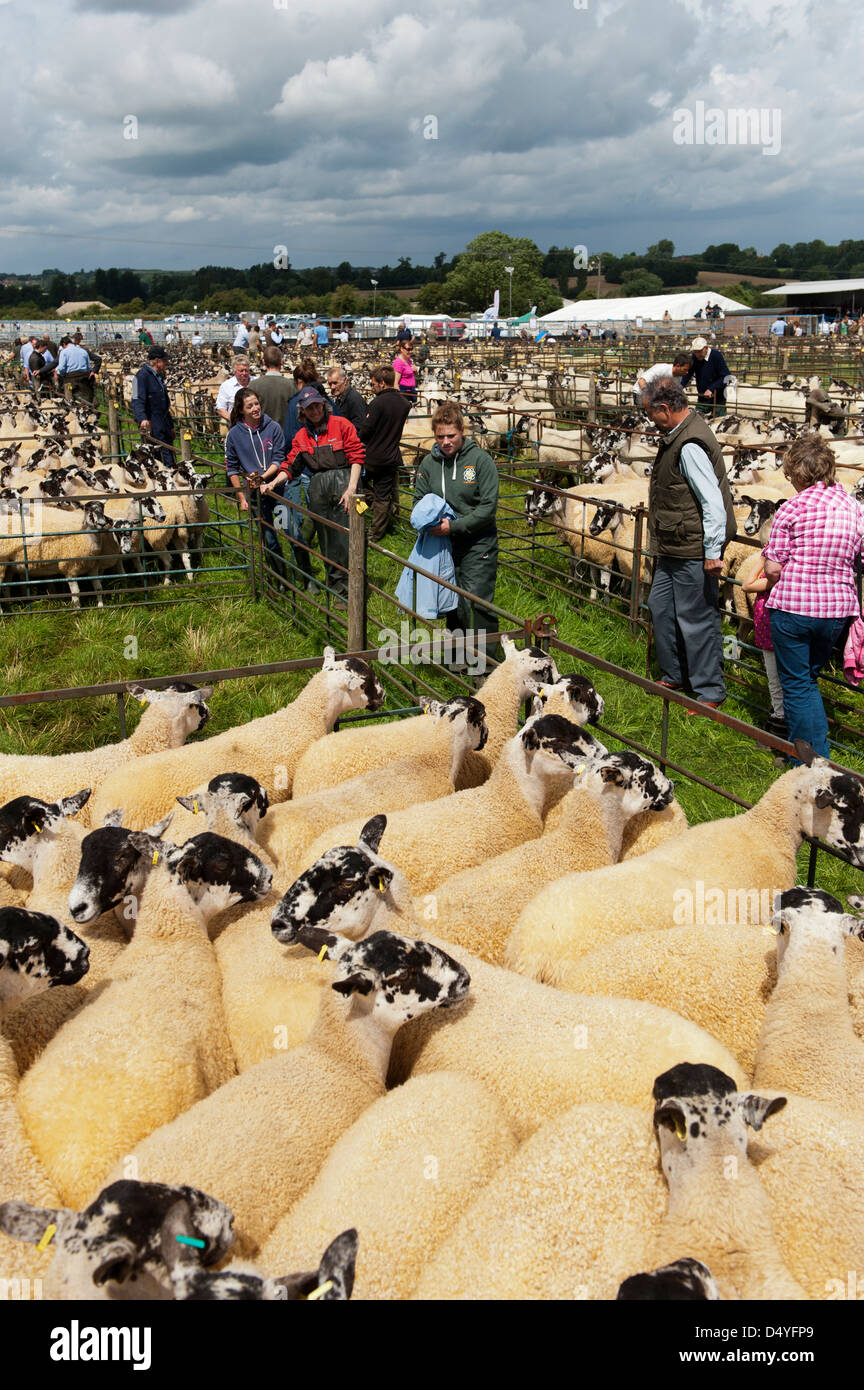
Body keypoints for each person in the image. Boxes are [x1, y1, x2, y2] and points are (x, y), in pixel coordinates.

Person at [762, 434, 864, 761]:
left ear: (801, 474)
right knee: (808, 680)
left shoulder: (792, 508)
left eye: (791, 476)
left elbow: (773, 567)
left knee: (797, 686)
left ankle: (810, 764)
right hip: (836, 611)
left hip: (793, 608)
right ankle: (810, 757)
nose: (791, 483)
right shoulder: (855, 509)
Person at [642, 378, 738, 709]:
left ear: (665, 410)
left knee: (696, 618)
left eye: (650, 414)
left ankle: (709, 690)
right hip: (673, 545)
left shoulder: (690, 445)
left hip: (693, 549)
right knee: (661, 607)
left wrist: (712, 552)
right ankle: (675, 674)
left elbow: (712, 503)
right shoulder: (678, 437)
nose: (649, 420)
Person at [262, 387, 364, 606]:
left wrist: (352, 488)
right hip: (319, 487)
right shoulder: (302, 437)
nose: (315, 411)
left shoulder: (341, 425)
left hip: (345, 482)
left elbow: (357, 455)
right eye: (309, 408)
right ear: (303, 412)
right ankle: (336, 586)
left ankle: (352, 589)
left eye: (317, 405)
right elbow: (291, 465)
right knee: (327, 539)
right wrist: (272, 482)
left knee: (347, 538)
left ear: (323, 405)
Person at [413, 401, 499, 651]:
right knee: (451, 599)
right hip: (443, 543)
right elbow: (418, 499)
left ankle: (485, 663)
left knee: (478, 600)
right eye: (440, 436)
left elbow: (487, 508)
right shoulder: (429, 464)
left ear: (462, 431)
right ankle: (458, 655)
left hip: (477, 542)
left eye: (451, 435)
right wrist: (429, 523)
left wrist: (455, 526)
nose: (446, 441)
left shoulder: (480, 461)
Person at [225, 386, 289, 585]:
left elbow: (279, 459)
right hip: (254, 494)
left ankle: (289, 573)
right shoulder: (234, 435)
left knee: (285, 532)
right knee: (268, 536)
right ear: (241, 410)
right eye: (249, 405)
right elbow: (232, 468)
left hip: (277, 490)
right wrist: (242, 497)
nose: (255, 408)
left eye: (256, 403)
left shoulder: (273, 428)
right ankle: (280, 578)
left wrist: (263, 478)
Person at [357, 363, 411, 542]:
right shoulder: (404, 404)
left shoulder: (377, 403)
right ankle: (378, 530)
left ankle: (366, 524)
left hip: (372, 456)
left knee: (359, 488)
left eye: (373, 384)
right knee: (383, 494)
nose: (372, 387)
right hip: (391, 456)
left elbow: (366, 431)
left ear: (382, 383)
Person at [740, 564, 786, 737]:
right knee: (782, 680)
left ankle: (778, 727)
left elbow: (747, 585)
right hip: (771, 631)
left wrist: (762, 558)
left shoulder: (775, 578)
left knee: (776, 681)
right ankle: (777, 718)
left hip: (773, 632)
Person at [131, 345, 175, 465]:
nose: (167, 363)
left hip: (163, 423)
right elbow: (136, 399)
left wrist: (170, 426)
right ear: (157, 361)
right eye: (165, 360)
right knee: (158, 457)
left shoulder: (159, 377)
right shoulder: (139, 377)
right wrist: (142, 419)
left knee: (169, 453)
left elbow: (164, 404)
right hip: (152, 424)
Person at [681, 336, 730, 417]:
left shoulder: (716, 356)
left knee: (717, 424)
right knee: (698, 421)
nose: (697, 354)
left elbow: (726, 377)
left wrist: (712, 389)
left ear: (706, 348)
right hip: (702, 398)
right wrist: (680, 386)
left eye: (699, 351)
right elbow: (688, 373)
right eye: (695, 352)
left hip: (717, 399)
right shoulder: (694, 357)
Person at [250, 346, 296, 424]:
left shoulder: (253, 386)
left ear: (263, 362)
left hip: (261, 433)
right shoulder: (292, 386)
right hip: (285, 433)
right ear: (281, 361)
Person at [326, 365, 366, 433]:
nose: (332, 387)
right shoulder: (341, 398)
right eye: (330, 384)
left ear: (345, 381)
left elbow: (359, 426)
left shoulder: (354, 399)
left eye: (335, 383)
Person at [56, 336, 95, 403]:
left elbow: (61, 368)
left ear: (64, 344)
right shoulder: (83, 351)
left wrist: (62, 375)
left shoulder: (64, 352)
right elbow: (88, 367)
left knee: (71, 398)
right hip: (84, 377)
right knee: (86, 397)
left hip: (71, 377)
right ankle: (89, 409)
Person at [215, 357, 252, 425]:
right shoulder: (226, 386)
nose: (244, 373)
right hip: (236, 424)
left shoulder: (256, 382)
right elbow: (220, 408)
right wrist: (234, 420)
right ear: (234, 372)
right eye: (241, 371)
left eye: (246, 370)